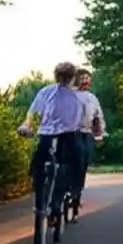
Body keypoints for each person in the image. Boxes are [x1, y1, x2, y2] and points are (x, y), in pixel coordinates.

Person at [18, 62, 85, 227]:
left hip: (47, 135)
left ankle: (45, 198)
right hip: (65, 136)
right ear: (72, 78)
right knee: (72, 165)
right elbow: (81, 122)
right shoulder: (76, 97)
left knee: (39, 166)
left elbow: (32, 113)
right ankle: (65, 196)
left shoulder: (46, 92)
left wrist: (26, 125)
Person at [70, 68, 106, 221]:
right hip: (70, 133)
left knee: (82, 163)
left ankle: (76, 195)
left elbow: (97, 117)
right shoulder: (69, 95)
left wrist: (99, 133)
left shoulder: (92, 98)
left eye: (87, 78)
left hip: (85, 133)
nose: (85, 81)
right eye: (82, 78)